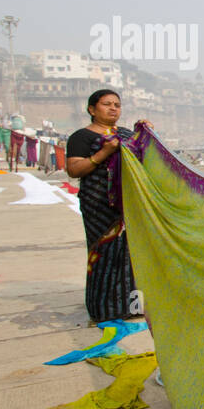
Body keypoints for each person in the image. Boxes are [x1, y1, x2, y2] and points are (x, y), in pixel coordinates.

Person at [65, 90, 137, 323]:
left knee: (130, 256)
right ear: (92, 109)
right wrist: (105, 152)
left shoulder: (126, 135)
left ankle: (131, 306)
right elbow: (74, 170)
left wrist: (146, 133)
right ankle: (103, 310)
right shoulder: (81, 137)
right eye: (106, 104)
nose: (113, 108)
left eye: (117, 104)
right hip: (98, 204)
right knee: (103, 253)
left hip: (128, 204)